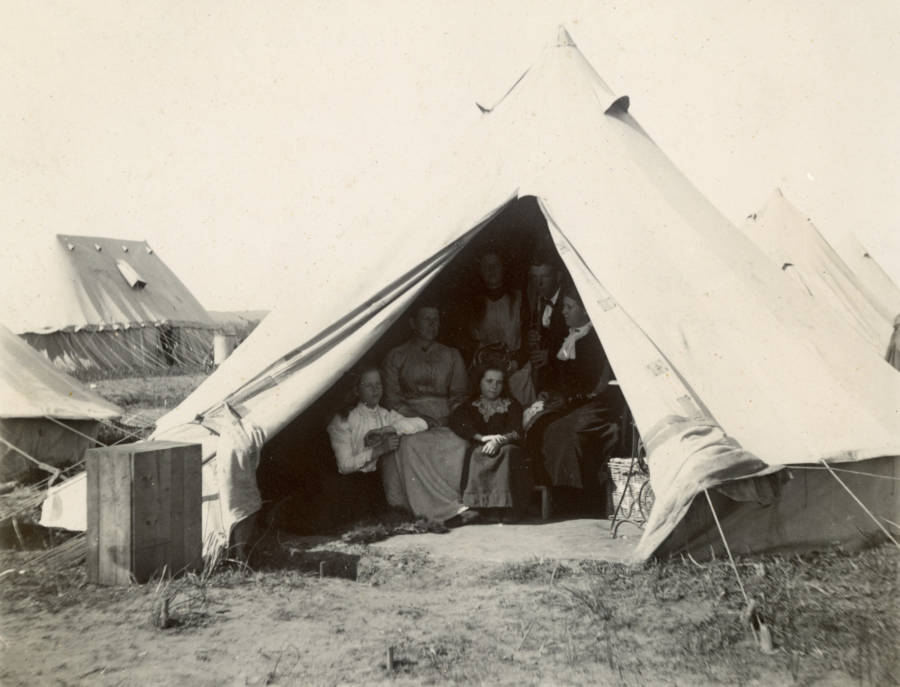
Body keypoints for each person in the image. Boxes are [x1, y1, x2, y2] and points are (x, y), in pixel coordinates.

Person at [525, 285, 624, 510]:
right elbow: (564, 379)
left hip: (597, 401)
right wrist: (551, 393)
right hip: (575, 400)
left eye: (570, 307)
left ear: (586, 311)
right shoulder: (569, 338)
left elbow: (595, 384)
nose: (564, 312)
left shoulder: (595, 341)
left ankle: (578, 497)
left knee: (570, 430)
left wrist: (569, 398)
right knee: (541, 424)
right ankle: (550, 493)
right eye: (564, 307)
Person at [381, 303, 478, 526]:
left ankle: (457, 504)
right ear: (413, 323)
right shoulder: (397, 355)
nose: (433, 324)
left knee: (458, 444)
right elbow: (392, 399)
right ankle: (434, 512)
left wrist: (450, 416)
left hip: (445, 418)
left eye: (436, 319)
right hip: (409, 418)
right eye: (427, 319)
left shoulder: (451, 355)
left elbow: (459, 394)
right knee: (411, 444)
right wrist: (419, 418)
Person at [326, 366, 429, 516]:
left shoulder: (386, 415)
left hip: (380, 482)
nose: (375, 390)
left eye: (378, 384)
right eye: (368, 385)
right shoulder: (343, 420)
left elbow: (421, 423)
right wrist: (378, 450)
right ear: (356, 390)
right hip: (351, 485)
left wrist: (387, 430)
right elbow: (344, 466)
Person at [449, 365, 532, 519]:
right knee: (475, 453)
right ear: (480, 382)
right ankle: (481, 508)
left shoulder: (512, 405)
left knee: (506, 452)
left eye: (499, 382)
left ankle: (505, 508)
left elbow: (516, 430)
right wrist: (482, 438)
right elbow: (457, 421)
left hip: (508, 445)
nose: (494, 386)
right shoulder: (470, 405)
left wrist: (499, 440)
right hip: (482, 445)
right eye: (489, 381)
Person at [466, 248, 535, 406]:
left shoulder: (519, 298)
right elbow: (470, 341)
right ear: (480, 271)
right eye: (486, 266)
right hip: (486, 368)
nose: (491, 270)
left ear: (503, 267)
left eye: (496, 264)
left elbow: (528, 339)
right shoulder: (473, 302)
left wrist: (515, 363)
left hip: (516, 368)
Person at [525, 251, 568, 389]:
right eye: (535, 277)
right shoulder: (537, 299)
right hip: (548, 377)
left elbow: (584, 345)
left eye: (545, 276)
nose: (539, 283)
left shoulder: (570, 301)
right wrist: (532, 336)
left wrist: (551, 354)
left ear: (558, 276)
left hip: (568, 377)